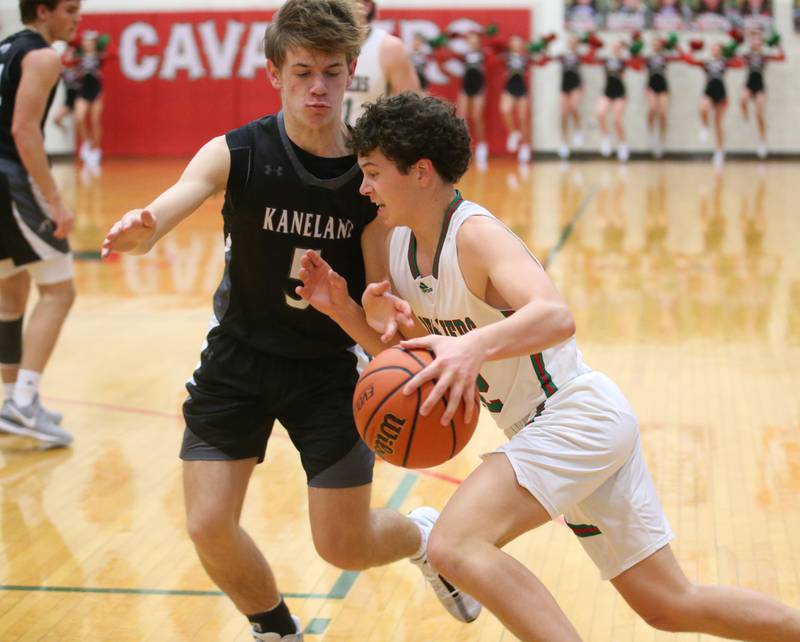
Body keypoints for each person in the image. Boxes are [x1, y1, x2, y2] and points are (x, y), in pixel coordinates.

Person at [297, 91, 800, 642]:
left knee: (453, 544)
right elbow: (407, 368)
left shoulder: (476, 235)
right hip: (558, 430)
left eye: (371, 173)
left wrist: (471, 347)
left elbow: (556, 316)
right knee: (668, 604)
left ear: (420, 173)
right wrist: (343, 310)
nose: (363, 188)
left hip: (573, 415)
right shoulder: (393, 246)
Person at [100, 2, 480, 640]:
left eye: (333, 73)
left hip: (328, 370)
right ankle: (276, 629)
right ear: (273, 71)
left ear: (352, 71)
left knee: (345, 546)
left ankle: (422, 535)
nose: (318, 88)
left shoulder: (369, 175)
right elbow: (177, 200)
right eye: (302, 71)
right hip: (238, 357)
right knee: (207, 526)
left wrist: (386, 318)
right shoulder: (238, 152)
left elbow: (379, 290)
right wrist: (145, 230)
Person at [0, 0, 79, 448]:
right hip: (10, 179)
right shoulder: (44, 56)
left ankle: (13, 399)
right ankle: (24, 403)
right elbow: (23, 129)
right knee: (59, 290)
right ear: (43, 11)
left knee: (11, 289)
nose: (77, 18)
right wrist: (54, 200)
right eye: (69, 9)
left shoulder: (6, 47)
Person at [343, 0, 419, 128]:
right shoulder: (325, 44)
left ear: (366, 6)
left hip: (368, 144)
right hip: (324, 143)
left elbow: (414, 110)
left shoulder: (389, 48)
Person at [683, 42, 730, 167]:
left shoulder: (725, 62)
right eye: (713, 48)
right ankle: (704, 126)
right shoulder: (707, 63)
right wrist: (692, 49)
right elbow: (689, 61)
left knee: (718, 124)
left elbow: (740, 63)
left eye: (717, 48)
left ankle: (720, 151)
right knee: (702, 108)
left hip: (721, 92)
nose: (715, 50)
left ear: (721, 51)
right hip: (709, 90)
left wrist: (733, 49)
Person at [738, 29, 784, 159]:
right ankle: (746, 119)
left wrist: (777, 44)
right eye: (754, 39)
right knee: (742, 100)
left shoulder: (765, 56)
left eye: (758, 39)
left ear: (761, 42)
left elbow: (781, 57)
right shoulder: (746, 55)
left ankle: (762, 141)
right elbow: (735, 59)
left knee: (759, 114)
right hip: (749, 83)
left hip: (760, 85)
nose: (756, 41)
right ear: (751, 41)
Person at [73, 30, 109, 175]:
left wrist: (100, 39)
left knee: (95, 121)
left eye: (90, 41)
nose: (87, 43)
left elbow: (112, 48)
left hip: (96, 91)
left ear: (95, 43)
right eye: (85, 41)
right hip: (83, 91)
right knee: (79, 118)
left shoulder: (100, 56)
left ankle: (96, 149)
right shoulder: (78, 56)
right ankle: (86, 142)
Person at [592, 40, 632, 161]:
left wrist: (627, 47)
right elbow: (593, 58)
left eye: (618, 46)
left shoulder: (623, 61)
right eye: (614, 46)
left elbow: (635, 62)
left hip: (620, 92)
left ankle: (622, 145)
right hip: (607, 91)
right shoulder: (606, 60)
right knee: (600, 114)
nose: (616, 48)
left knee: (617, 121)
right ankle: (605, 138)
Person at [499, 35, 533, 164]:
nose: (516, 44)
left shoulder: (525, 57)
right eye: (514, 42)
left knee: (523, 117)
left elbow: (535, 62)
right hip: (509, 87)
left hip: (521, 88)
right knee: (505, 110)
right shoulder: (506, 57)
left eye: (519, 42)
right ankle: (513, 133)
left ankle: (525, 146)